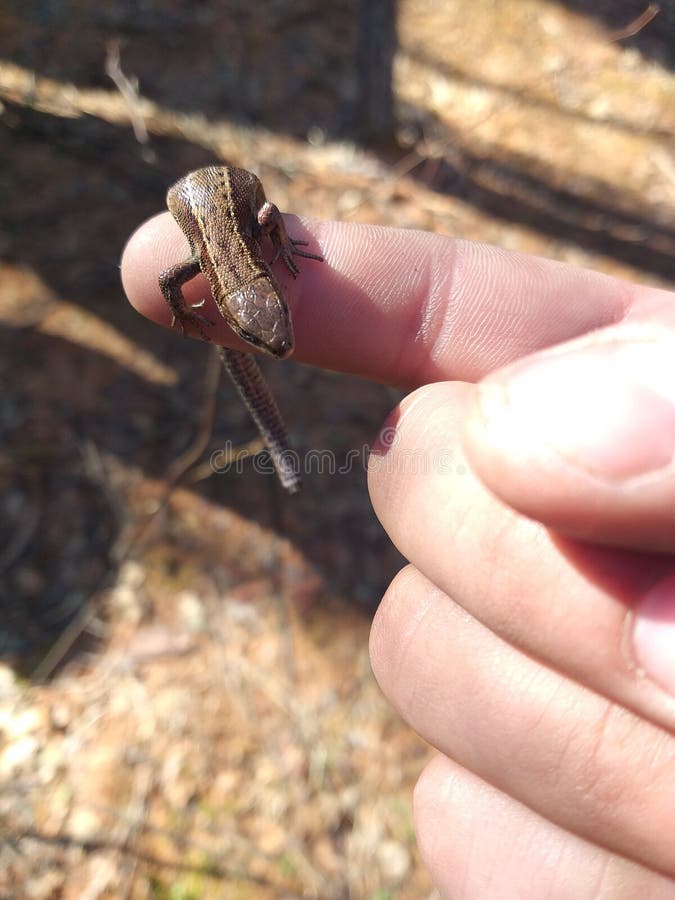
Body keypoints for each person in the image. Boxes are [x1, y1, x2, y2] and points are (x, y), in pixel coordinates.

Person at [122, 209, 675, 897]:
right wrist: (189, 303)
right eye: (260, 332)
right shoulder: (202, 266)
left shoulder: (238, 270)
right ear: (233, 296)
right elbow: (175, 273)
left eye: (274, 326)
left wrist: (265, 245)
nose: (281, 342)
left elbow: (259, 215)